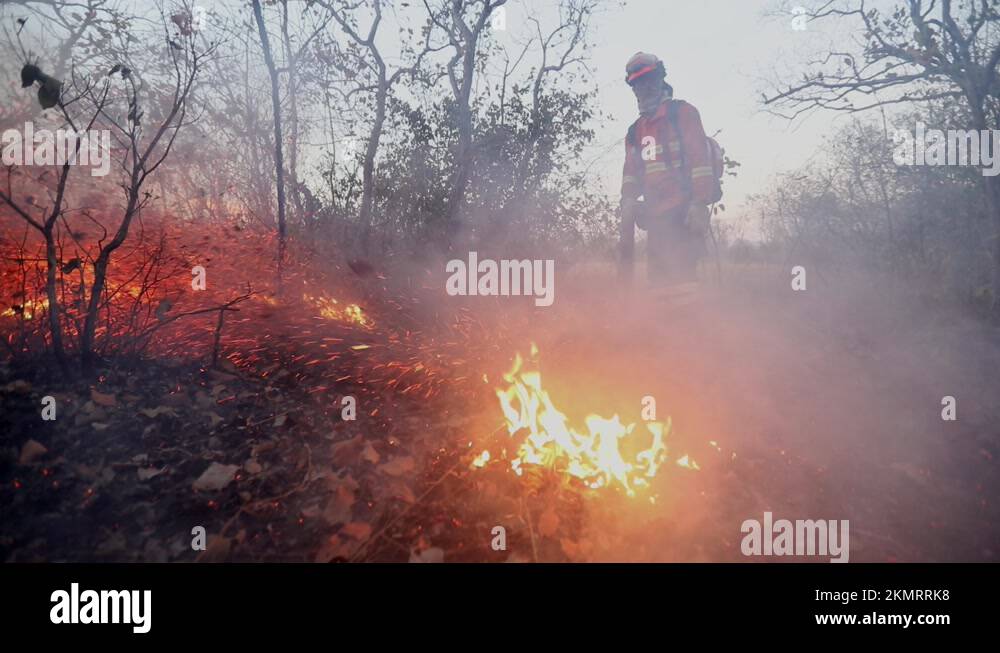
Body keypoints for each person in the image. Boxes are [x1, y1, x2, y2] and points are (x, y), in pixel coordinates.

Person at [619, 52, 719, 289]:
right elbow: (631, 172)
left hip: (685, 213)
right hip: (655, 218)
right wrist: (628, 201)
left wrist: (699, 204)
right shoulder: (635, 131)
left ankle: (691, 325)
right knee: (658, 284)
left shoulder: (683, 114)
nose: (643, 88)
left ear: (660, 79)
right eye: (637, 84)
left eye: (648, 80)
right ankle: (665, 326)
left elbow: (700, 162)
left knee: (684, 283)